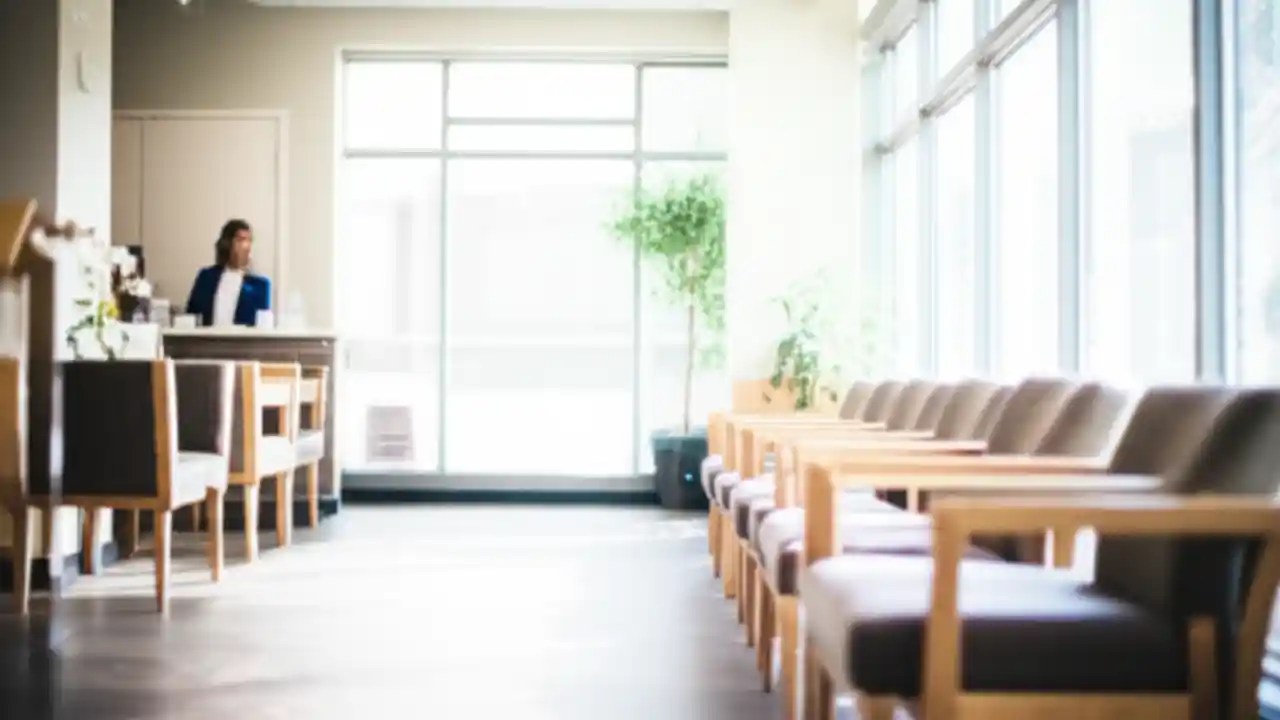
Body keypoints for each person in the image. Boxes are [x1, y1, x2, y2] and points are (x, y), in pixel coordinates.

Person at [185, 219, 271, 327]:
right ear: (227, 244)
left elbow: (262, 327)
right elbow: (191, 317)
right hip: (207, 337)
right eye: (241, 240)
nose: (246, 246)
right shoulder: (206, 277)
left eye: (249, 241)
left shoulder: (260, 285)